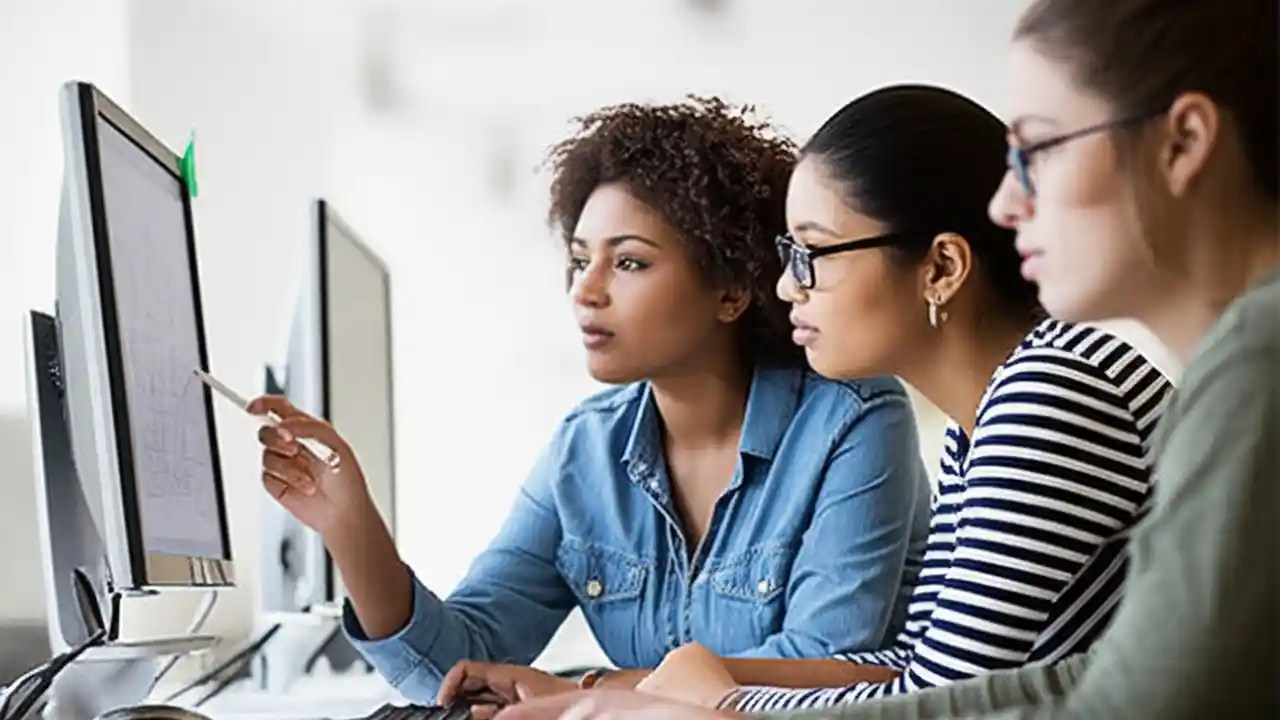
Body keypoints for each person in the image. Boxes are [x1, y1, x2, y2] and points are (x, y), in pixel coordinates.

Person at [499, 0, 1279, 717]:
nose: (783, 285)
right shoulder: (985, 422)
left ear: (941, 269)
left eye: (815, 254)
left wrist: (717, 707)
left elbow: (944, 700)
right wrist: (640, 686)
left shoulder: (1053, 389)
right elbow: (933, 669)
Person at [249, 96, 931, 705]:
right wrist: (351, 530)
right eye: (581, 260)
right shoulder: (586, 449)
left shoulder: (856, 420)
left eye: (628, 261)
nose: (586, 290)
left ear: (732, 288)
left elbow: (821, 669)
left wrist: (586, 691)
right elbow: (457, 670)